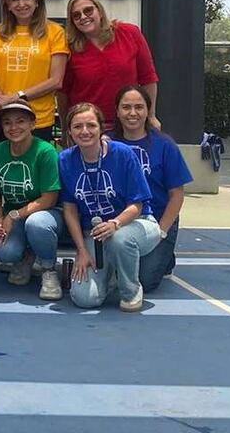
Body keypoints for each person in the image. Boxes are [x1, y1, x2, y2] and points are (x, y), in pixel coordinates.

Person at [59, 102, 159, 311]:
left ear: (101, 128)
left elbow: (137, 205)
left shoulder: (122, 154)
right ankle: (110, 274)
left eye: (91, 125)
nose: (85, 131)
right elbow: (69, 208)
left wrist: (115, 223)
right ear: (69, 131)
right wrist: (81, 250)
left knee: (119, 239)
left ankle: (130, 291)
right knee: (84, 299)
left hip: (135, 225)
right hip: (95, 236)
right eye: (77, 127)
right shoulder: (65, 160)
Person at [111, 86, 191, 292]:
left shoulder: (165, 145)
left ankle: (165, 255)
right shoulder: (106, 143)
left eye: (139, 107)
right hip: (120, 221)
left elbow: (176, 195)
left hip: (156, 219)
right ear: (117, 111)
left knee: (143, 281)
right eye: (126, 107)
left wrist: (161, 232)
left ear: (148, 111)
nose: (132, 113)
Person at [0, 101, 64, 301]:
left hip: (49, 214)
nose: (14, 128)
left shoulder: (45, 152)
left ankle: (48, 268)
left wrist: (13, 215)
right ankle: (26, 256)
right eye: (7, 123)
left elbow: (50, 198)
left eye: (20, 121)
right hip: (15, 216)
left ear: (32, 124)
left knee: (37, 223)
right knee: (3, 251)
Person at [60, 0, 159, 133]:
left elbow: (148, 78)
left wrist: (150, 115)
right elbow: (63, 92)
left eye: (88, 10)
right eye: (76, 15)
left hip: (128, 124)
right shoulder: (69, 48)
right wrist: (66, 128)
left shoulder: (129, 33)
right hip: (89, 128)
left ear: (99, 11)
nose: (83, 17)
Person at [0, 0, 68, 141]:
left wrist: (16, 97)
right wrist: (5, 105)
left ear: (37, 2)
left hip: (38, 119)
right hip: (3, 118)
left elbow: (56, 80)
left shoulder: (55, 32)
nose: (21, 4)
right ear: (7, 5)